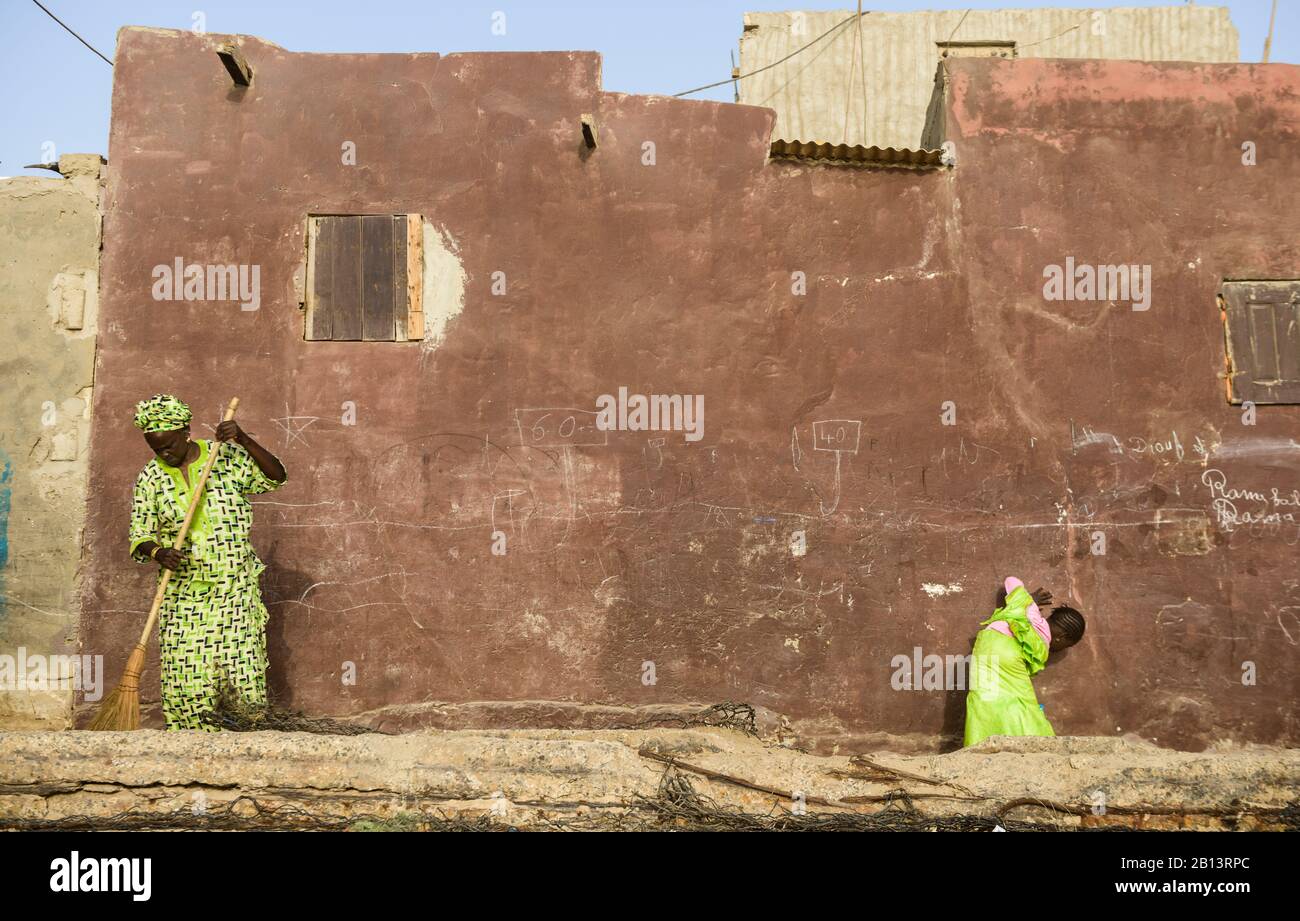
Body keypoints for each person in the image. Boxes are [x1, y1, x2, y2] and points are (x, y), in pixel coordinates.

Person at [128, 394, 287, 730]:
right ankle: (191, 754)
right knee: (188, 679)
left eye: (169, 445)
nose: (164, 454)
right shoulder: (151, 478)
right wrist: (158, 552)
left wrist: (243, 439)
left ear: (185, 432)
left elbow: (276, 476)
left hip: (233, 589)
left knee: (239, 673)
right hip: (183, 595)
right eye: (156, 449)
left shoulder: (225, 457)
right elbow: (139, 536)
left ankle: (244, 754)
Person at [962, 576, 1085, 747]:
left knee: (983, 698)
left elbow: (1011, 580)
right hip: (1008, 654)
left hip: (984, 647)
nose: (1060, 649)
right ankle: (1039, 746)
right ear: (1062, 637)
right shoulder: (1042, 643)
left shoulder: (1031, 612)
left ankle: (979, 744)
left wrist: (1029, 599)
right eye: (1066, 645)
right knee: (1022, 701)